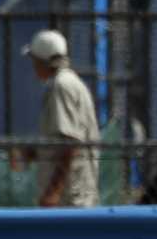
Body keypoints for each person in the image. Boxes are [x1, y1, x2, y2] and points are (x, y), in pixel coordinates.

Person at [19, 30, 98, 207]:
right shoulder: (69, 82)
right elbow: (61, 140)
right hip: (73, 195)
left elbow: (71, 144)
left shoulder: (61, 86)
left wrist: (53, 192)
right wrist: (33, 152)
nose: (33, 66)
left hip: (69, 199)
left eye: (34, 61)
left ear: (42, 61)